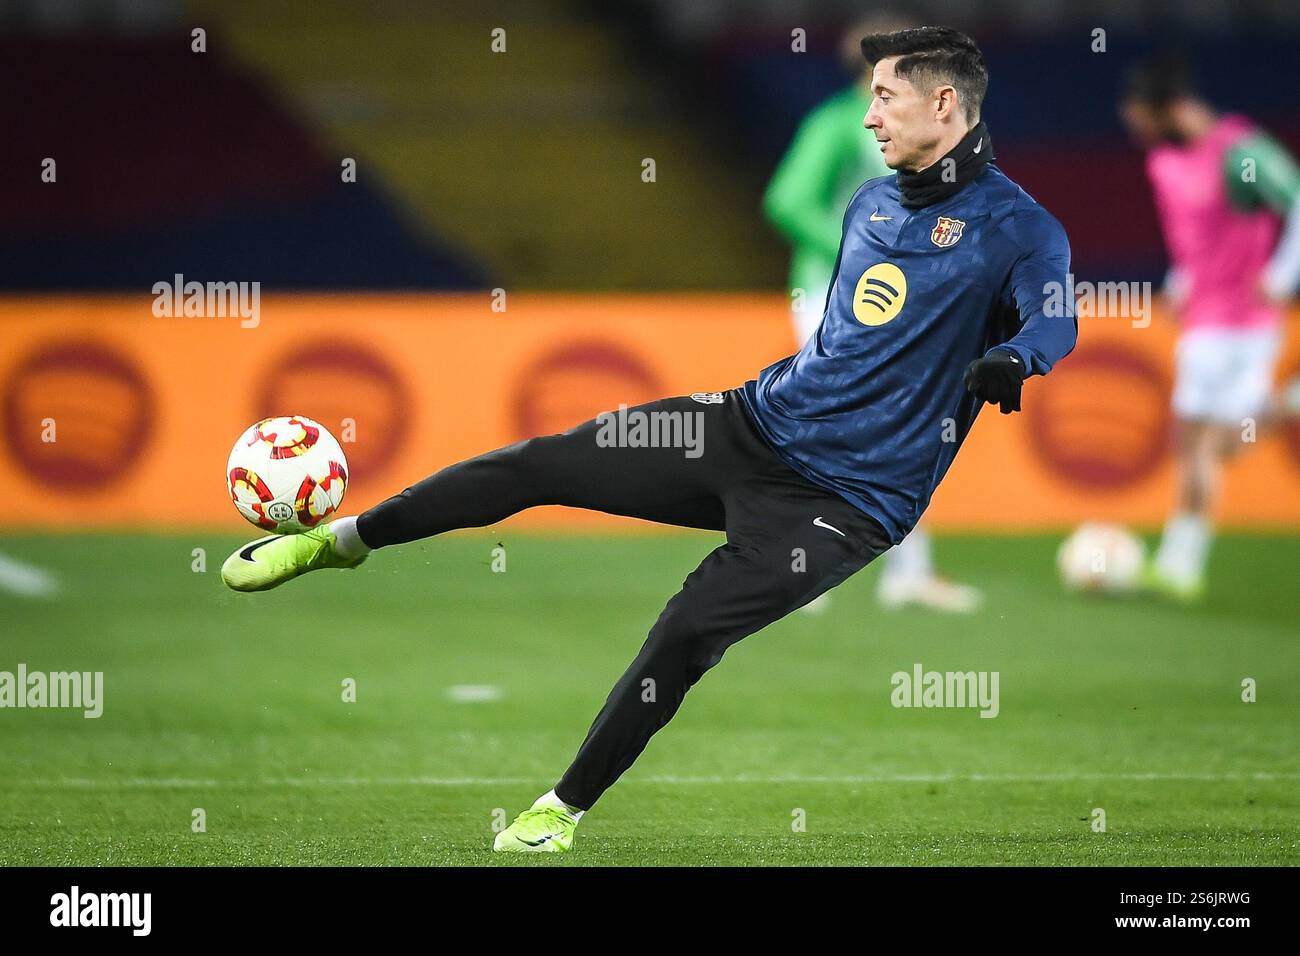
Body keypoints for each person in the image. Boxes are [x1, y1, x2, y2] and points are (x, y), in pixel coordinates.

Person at [222, 27, 1076, 853]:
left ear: (943, 102)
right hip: (750, 425)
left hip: (846, 503)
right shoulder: (871, 199)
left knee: (686, 631)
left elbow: (1055, 318)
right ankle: (340, 542)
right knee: (542, 461)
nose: (868, 116)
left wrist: (1015, 355)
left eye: (884, 98)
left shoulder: (1020, 229)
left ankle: (558, 811)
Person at [764, 17, 981, 614]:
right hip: (831, 295)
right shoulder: (836, 124)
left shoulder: (933, 130)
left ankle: (903, 570)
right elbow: (786, 199)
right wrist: (856, 252)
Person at [1120, 53, 1300, 601]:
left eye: (1146, 122)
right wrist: (1180, 279)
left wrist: (1283, 274)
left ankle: (1289, 404)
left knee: (1217, 443)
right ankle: (1180, 566)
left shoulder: (1239, 151)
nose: (1140, 134)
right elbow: (1193, 235)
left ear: (1173, 109)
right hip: (1203, 321)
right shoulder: (1166, 162)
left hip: (1248, 321)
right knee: (1192, 438)